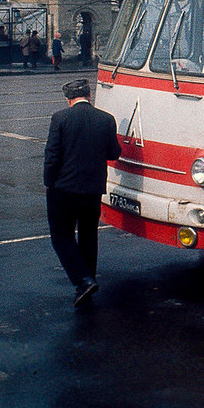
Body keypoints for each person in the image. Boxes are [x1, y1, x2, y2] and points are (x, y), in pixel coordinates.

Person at [43, 79, 121, 307]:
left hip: (63, 189)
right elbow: (114, 153)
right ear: (89, 95)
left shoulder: (60, 118)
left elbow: (52, 155)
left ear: (68, 99)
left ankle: (83, 281)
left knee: (61, 236)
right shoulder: (106, 119)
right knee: (88, 235)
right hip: (93, 189)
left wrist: (49, 183)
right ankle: (88, 280)